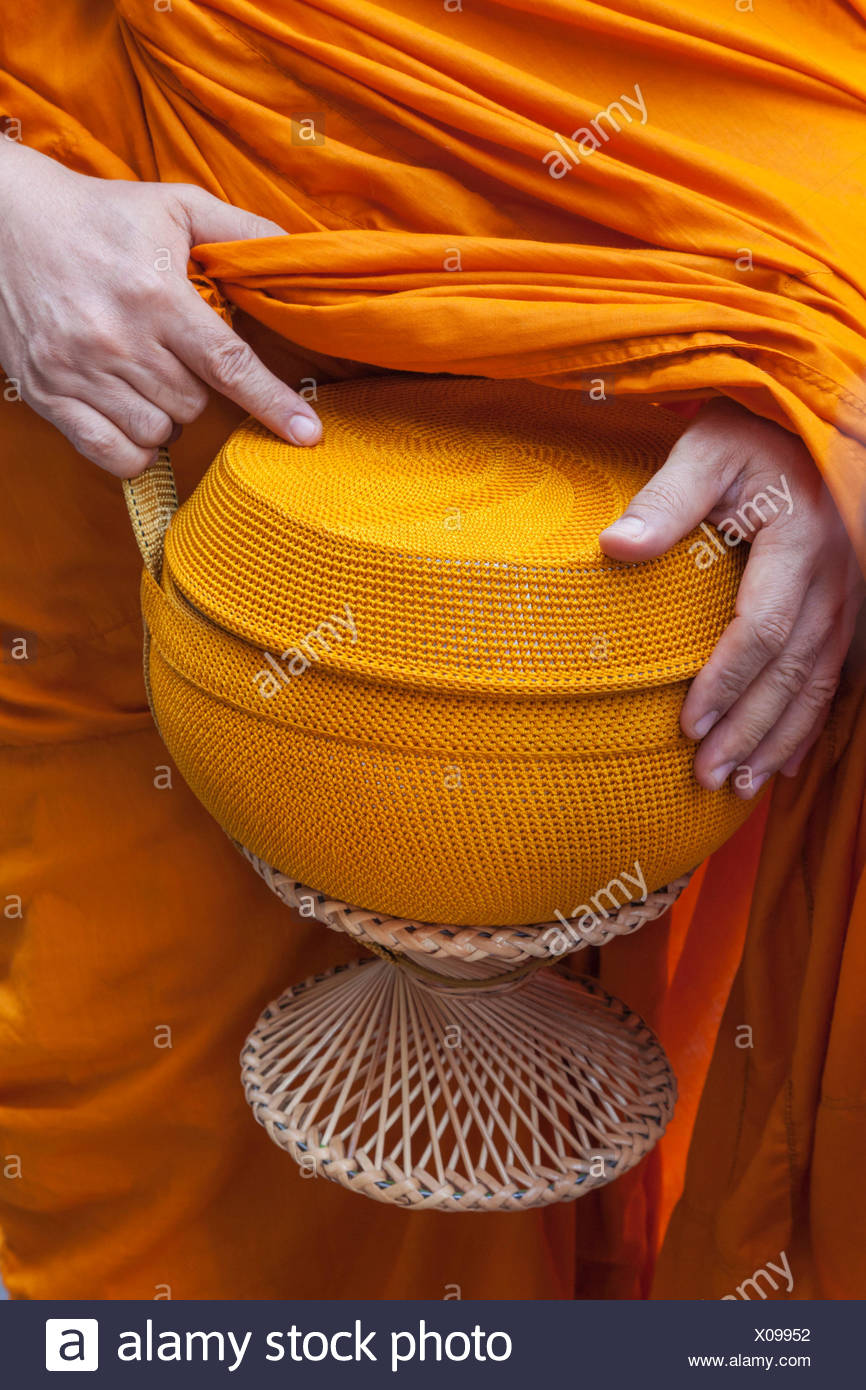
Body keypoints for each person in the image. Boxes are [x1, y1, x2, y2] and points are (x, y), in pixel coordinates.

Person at [1, 0, 865, 1299]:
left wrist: (841, 401)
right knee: (166, 1192)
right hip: (126, 380)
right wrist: (15, 219)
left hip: (716, 488)